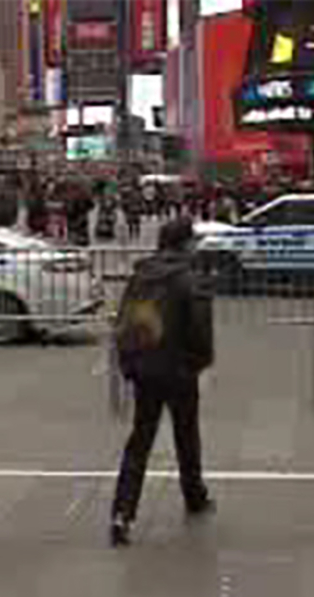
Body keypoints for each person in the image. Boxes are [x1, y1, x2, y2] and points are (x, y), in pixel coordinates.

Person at [110, 217, 216, 548]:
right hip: (179, 368)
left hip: (145, 367)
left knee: (140, 439)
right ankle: (194, 495)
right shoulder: (189, 278)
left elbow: (124, 320)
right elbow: (200, 328)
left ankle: (122, 513)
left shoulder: (141, 275)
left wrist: (129, 363)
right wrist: (199, 361)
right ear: (185, 244)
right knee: (186, 433)